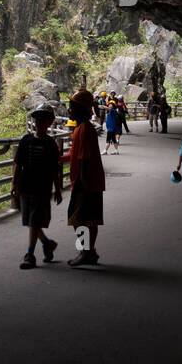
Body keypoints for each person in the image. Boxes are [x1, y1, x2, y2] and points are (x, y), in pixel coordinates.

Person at [11, 105, 64, 269]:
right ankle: (47, 244)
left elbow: (54, 169)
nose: (39, 122)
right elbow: (18, 164)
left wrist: (57, 189)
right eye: (37, 119)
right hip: (26, 186)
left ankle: (30, 255)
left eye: (43, 119)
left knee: (34, 221)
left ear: (49, 122)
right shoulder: (25, 141)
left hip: (42, 187)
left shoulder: (50, 144)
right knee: (30, 221)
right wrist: (14, 184)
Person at [65, 89, 105, 265]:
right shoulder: (84, 129)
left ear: (80, 109)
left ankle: (84, 252)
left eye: (71, 107)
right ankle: (89, 252)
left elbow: (83, 158)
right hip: (93, 182)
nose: (69, 110)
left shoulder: (82, 130)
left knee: (77, 217)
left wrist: (80, 182)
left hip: (85, 182)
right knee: (91, 218)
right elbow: (75, 155)